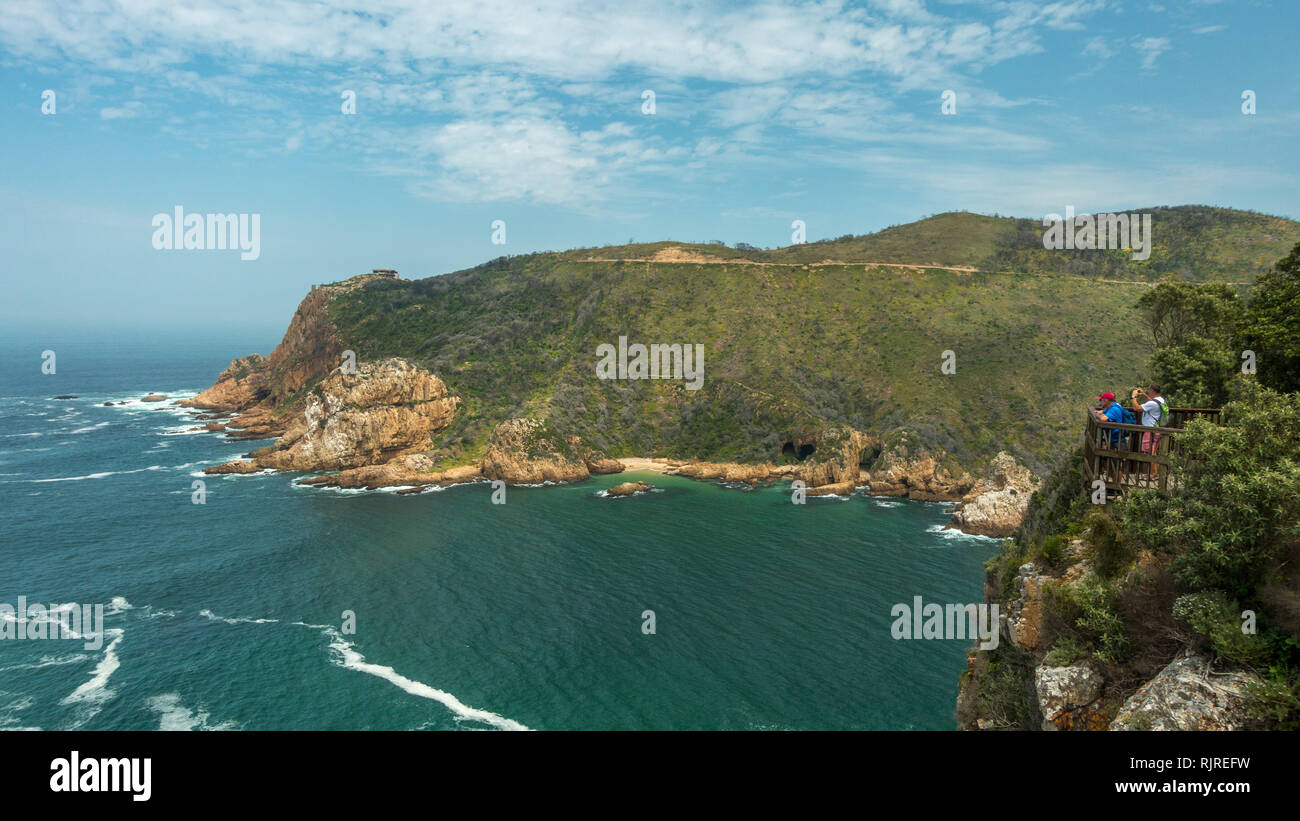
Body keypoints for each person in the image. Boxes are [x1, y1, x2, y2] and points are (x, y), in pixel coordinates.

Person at [1130, 384, 1168, 480]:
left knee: (1149, 452)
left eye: (1149, 390)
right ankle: (1154, 473)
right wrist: (1144, 395)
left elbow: (1137, 408)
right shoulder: (1161, 400)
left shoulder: (1153, 403)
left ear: (1152, 391)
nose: (1148, 391)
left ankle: (1153, 474)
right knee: (1153, 451)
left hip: (1151, 430)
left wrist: (1133, 397)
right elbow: (1152, 402)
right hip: (1156, 429)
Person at [1093, 392, 1127, 482]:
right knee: (1109, 462)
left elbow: (1103, 419)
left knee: (1116, 465)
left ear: (1106, 400)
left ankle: (1117, 485)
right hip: (1113, 439)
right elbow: (1101, 412)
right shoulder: (1112, 407)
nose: (1100, 402)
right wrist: (1099, 412)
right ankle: (1114, 482)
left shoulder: (1114, 409)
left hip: (1117, 440)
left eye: (1101, 400)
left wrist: (1098, 415)